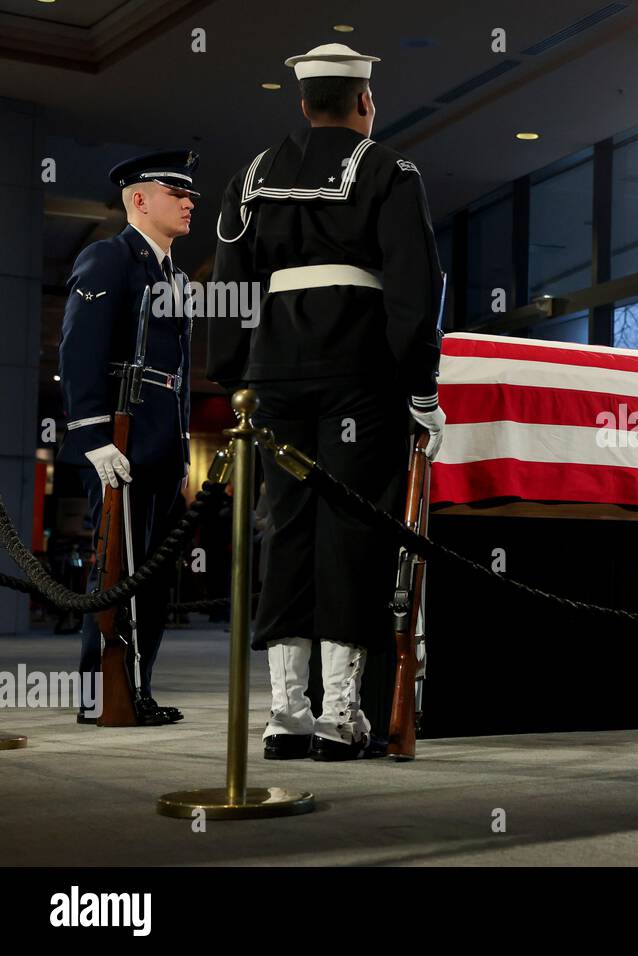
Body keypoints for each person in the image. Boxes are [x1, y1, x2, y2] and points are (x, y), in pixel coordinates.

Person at [208, 43, 445, 760]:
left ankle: (286, 714)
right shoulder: (391, 170)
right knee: (351, 530)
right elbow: (414, 283)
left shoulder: (251, 176)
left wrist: (231, 368)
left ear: (303, 104)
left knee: (283, 527)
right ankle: (341, 715)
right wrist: (423, 388)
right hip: (357, 373)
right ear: (364, 102)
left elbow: (230, 282)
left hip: (274, 375)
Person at [58, 149, 198, 726]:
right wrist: (92, 435)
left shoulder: (177, 278)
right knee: (114, 566)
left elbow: (180, 371)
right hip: (121, 435)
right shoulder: (109, 259)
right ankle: (100, 693)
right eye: (176, 192)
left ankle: (136, 687)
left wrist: (182, 444)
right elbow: (79, 347)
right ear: (139, 199)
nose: (190, 202)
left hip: (163, 440)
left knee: (154, 573)